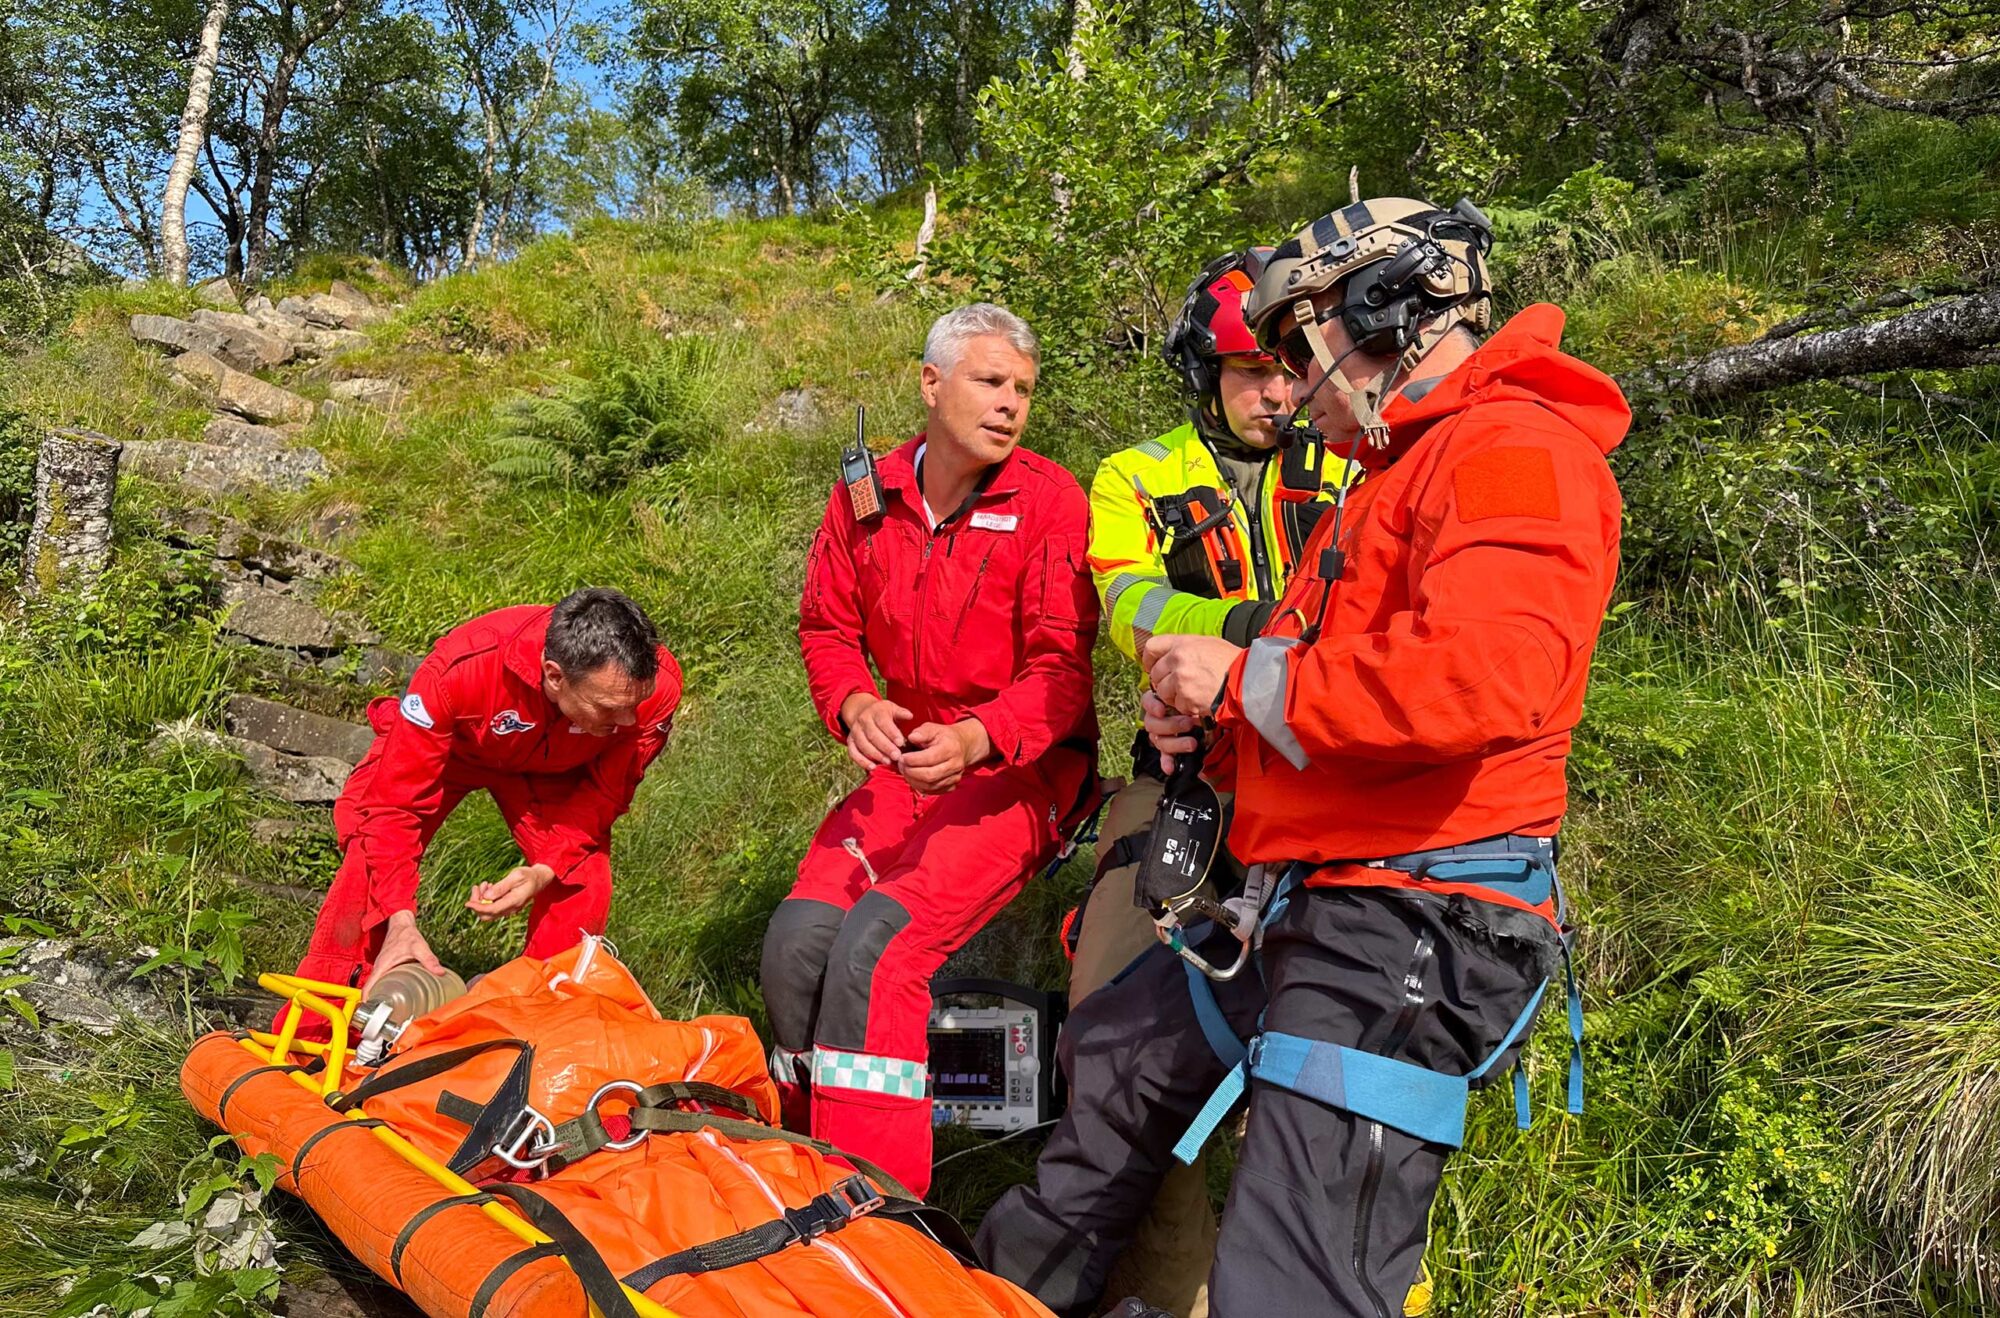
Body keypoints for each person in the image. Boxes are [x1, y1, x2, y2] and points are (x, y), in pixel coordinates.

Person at [977, 195, 1628, 1318]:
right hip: (1296, 886)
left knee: (1294, 1272)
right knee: (1119, 1064)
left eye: (1296, 343)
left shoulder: (1512, 451)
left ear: (1379, 312)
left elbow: (1480, 681)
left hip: (1414, 908)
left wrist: (1234, 681)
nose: (1288, 382)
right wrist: (1217, 725)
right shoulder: (1391, 474)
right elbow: (1329, 678)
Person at [760, 303, 1099, 1199]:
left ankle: (874, 1206)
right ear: (931, 383)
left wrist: (980, 735)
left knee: (879, 949)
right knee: (796, 946)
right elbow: (826, 626)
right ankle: (802, 1162)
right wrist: (853, 702)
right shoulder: (865, 494)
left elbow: (1064, 674)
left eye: (1024, 389)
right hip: (906, 762)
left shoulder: (1050, 499)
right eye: (991, 381)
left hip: (1022, 770)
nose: (1011, 403)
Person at [1065, 247, 1332, 1316]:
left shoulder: (1355, 462)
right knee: (1106, 1029)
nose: (1275, 392)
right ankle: (1172, 1288)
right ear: (1204, 373)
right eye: (1249, 371)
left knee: (1338, 1048)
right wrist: (1246, 629)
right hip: (1184, 777)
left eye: (1288, 367)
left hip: (1325, 773)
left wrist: (1247, 655)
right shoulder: (1134, 475)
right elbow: (1127, 605)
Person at [289, 587, 681, 1011]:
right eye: (608, 707)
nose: (628, 719)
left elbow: (605, 794)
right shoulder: (461, 668)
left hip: (557, 769)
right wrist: (398, 917)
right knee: (369, 854)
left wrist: (544, 870)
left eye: (634, 705)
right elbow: (395, 805)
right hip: (456, 751)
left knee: (583, 878)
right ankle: (325, 1019)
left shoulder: (653, 691)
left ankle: (532, 1020)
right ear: (555, 675)